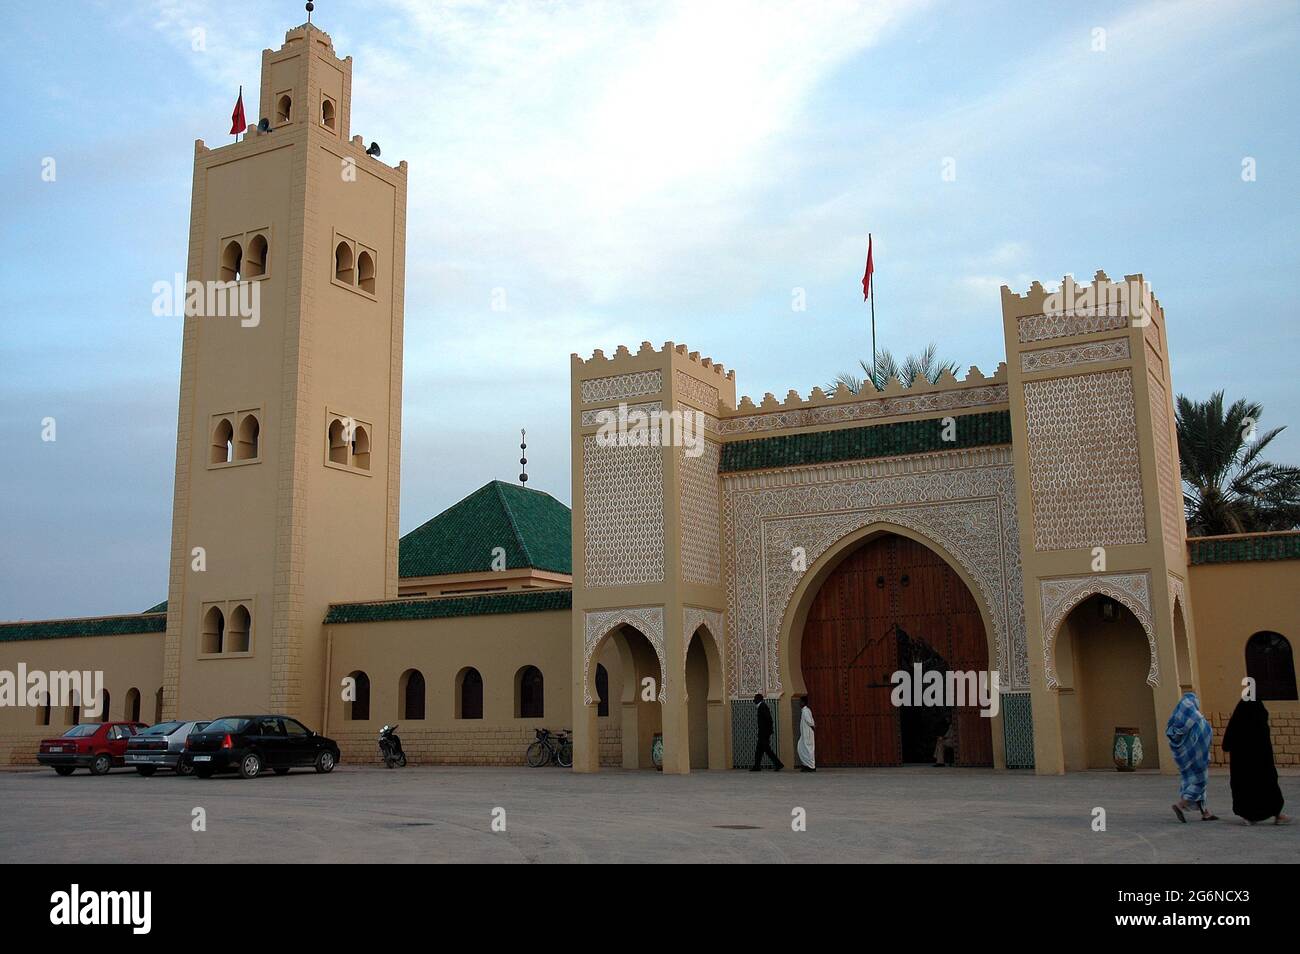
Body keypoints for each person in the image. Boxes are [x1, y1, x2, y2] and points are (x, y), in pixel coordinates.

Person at [1222, 699, 1291, 825]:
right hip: (1261, 765)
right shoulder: (1259, 720)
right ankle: (1277, 814)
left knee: (1245, 788)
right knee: (1268, 787)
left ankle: (1248, 816)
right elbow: (1266, 744)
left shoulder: (1238, 719)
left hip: (1242, 765)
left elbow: (1227, 742)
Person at [1166, 691, 1217, 822]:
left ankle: (1205, 812)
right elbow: (1204, 736)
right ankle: (1180, 805)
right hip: (1198, 758)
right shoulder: (1197, 718)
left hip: (1185, 760)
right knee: (1200, 781)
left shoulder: (1177, 720)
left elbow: (1174, 737)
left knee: (1193, 781)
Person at [750, 693, 783, 772]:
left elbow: (768, 719)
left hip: (764, 733)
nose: (754, 700)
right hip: (763, 733)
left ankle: (778, 764)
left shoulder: (762, 707)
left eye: (755, 698)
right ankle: (757, 766)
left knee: (766, 750)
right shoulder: (762, 706)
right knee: (759, 750)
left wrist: (767, 731)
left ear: (758, 699)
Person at [797, 696, 816, 772]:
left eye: (800, 701)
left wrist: (813, 726)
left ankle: (811, 766)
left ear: (803, 702)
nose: (799, 703)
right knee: (801, 748)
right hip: (805, 734)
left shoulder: (805, 711)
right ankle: (806, 764)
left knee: (808, 749)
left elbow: (809, 721)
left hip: (807, 734)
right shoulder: (806, 710)